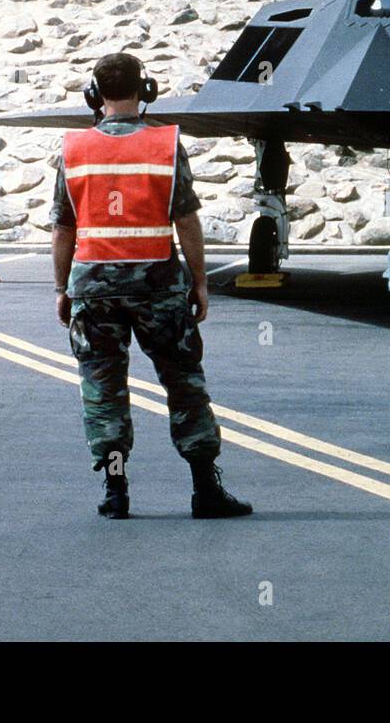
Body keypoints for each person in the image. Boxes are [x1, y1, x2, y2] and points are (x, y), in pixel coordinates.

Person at [49, 51, 252, 520]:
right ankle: (205, 490)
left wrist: (62, 289)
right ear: (147, 91)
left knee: (103, 390)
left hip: (94, 290)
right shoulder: (164, 144)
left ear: (94, 96)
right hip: (160, 287)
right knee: (184, 385)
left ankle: (116, 491)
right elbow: (186, 218)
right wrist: (200, 283)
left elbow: (63, 228)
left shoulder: (73, 148)